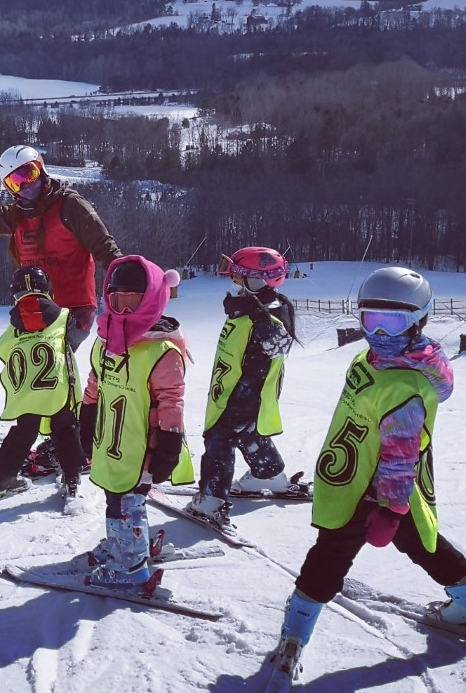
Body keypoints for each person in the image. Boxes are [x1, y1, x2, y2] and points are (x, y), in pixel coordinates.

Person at [268, 267, 466, 680]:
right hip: (360, 477)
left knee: (329, 558)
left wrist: (390, 510)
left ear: (419, 321)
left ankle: (294, 634)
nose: (378, 333)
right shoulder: (371, 359)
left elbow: (399, 456)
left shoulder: (405, 387)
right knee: (423, 546)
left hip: (376, 495)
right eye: (370, 320)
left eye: (391, 322)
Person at [78, 255, 187, 589]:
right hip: (112, 444)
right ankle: (122, 541)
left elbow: (172, 402)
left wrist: (170, 443)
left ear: (153, 298)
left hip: (144, 447)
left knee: (128, 501)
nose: (123, 311)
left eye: (133, 301)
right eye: (116, 301)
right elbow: (95, 384)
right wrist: (87, 416)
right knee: (116, 496)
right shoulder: (106, 341)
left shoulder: (162, 351)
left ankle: (130, 566)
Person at [0, 145, 121, 348]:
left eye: (29, 174)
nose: (25, 185)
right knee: (22, 364)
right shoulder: (18, 213)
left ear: (41, 169)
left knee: (50, 363)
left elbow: (103, 245)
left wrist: (127, 279)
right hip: (35, 309)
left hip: (74, 309)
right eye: (15, 183)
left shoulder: (70, 205)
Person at [188, 247, 298, 532]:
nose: (233, 285)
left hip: (245, 392)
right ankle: (268, 473)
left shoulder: (266, 316)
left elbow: (274, 348)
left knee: (220, 437)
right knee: (249, 431)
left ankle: (212, 500)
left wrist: (242, 404)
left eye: (238, 279)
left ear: (257, 281)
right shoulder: (249, 309)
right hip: (238, 388)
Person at [0, 268, 85, 502]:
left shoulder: (15, 324)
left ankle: (2, 479)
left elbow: (1, 348)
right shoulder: (63, 315)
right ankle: (72, 477)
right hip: (57, 386)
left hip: (28, 389)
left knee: (23, 433)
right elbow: (75, 334)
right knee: (66, 429)